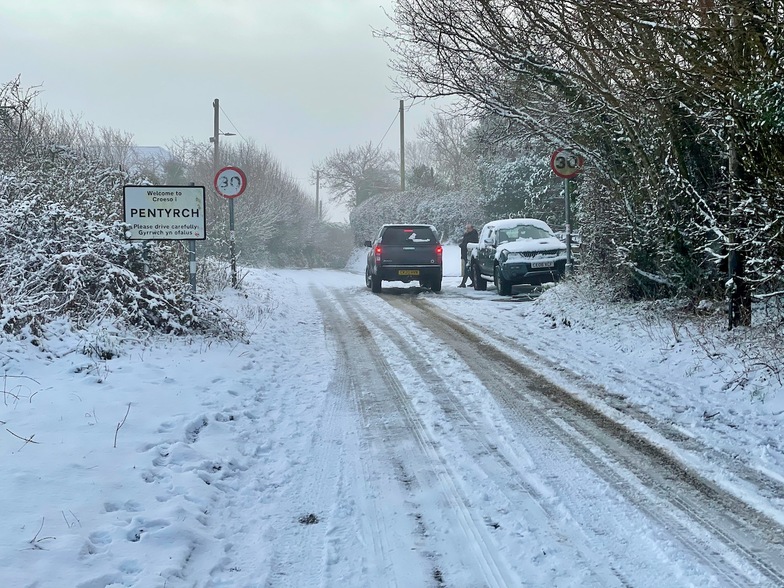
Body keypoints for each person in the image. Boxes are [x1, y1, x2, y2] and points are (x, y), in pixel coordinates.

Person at [458, 223, 479, 287]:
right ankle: (473, 281)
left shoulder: (474, 235)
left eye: (468, 228)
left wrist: (462, 245)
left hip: (470, 255)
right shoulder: (466, 235)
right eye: (466, 228)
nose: (467, 230)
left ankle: (463, 283)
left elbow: (469, 244)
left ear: (472, 228)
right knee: (468, 270)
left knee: (467, 269)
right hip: (465, 254)